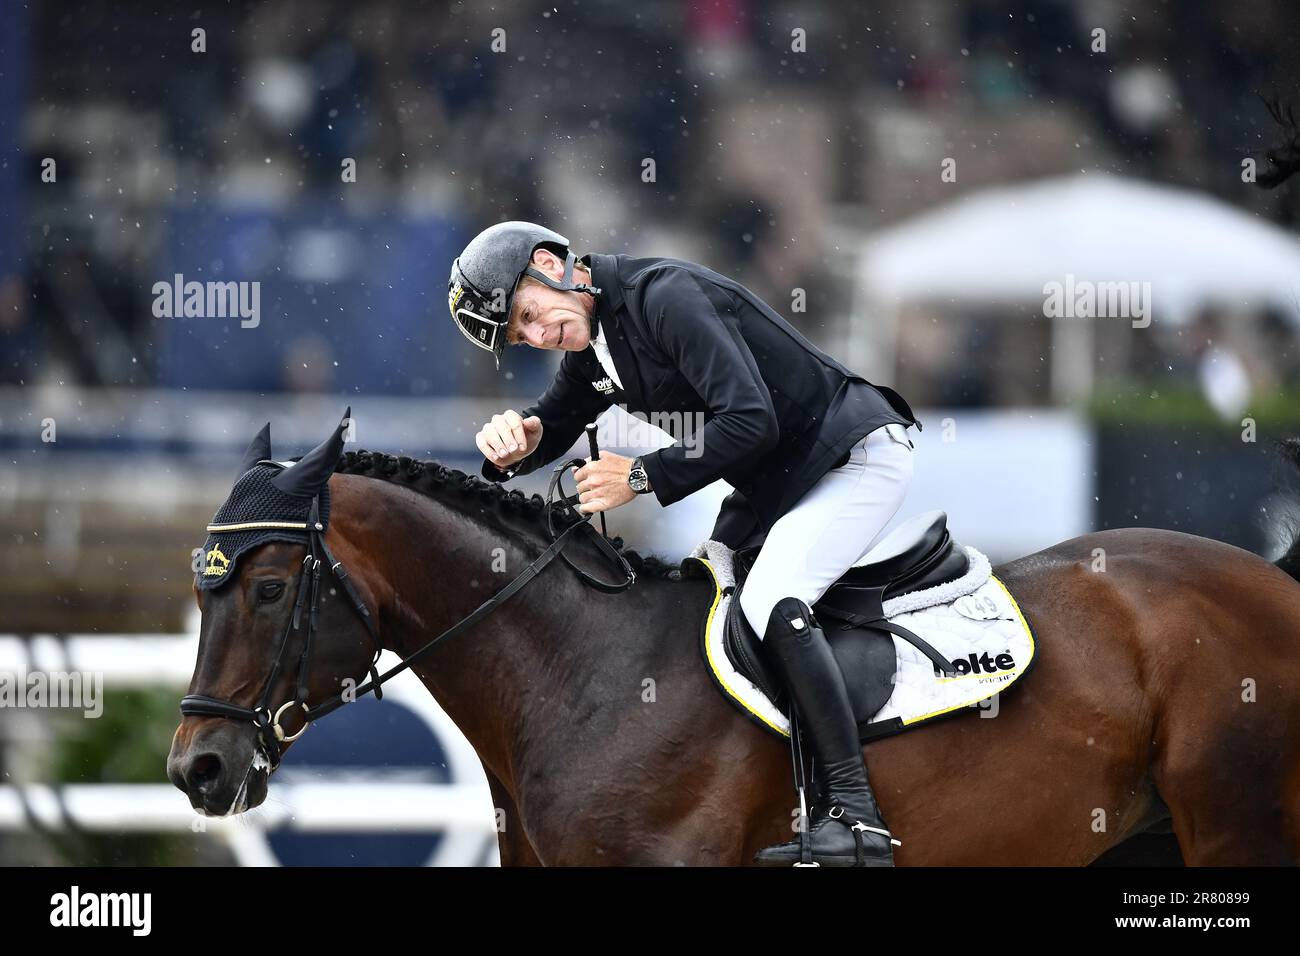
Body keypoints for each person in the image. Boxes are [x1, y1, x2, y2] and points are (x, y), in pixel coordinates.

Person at [448, 221, 920, 866]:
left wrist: (639, 476)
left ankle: (853, 816)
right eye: (521, 335)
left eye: (529, 314)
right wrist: (516, 446)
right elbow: (553, 421)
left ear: (551, 263)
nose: (537, 336)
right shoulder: (594, 342)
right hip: (779, 486)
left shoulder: (662, 295)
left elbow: (751, 419)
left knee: (773, 600)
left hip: (851, 458)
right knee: (704, 612)